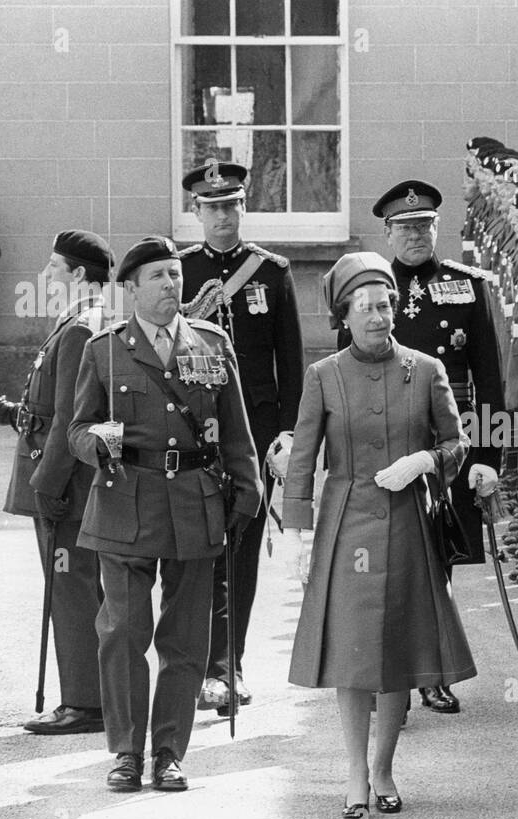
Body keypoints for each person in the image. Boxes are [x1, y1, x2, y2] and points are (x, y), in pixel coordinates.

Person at [282, 251, 476, 819]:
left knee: (397, 646)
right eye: (365, 307)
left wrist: (423, 461)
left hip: (408, 523)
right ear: (343, 315)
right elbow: (302, 458)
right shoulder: (324, 377)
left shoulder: (426, 369)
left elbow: (456, 445)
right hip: (346, 522)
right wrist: (297, 529)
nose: (378, 316)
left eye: (385, 304)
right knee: (352, 651)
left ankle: (385, 766)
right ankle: (354, 773)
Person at [68, 236, 262, 792]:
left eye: (175, 275)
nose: (170, 285)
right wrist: (95, 442)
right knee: (124, 631)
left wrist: (247, 492)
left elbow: (237, 428)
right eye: (157, 276)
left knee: (185, 639)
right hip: (125, 499)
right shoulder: (103, 349)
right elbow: (75, 429)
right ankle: (127, 751)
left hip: (195, 501)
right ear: (131, 288)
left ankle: (169, 752)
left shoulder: (211, 343)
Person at [353, 179, 504, 715]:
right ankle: (379, 672)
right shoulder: (366, 289)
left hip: (447, 444)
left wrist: (487, 458)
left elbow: (489, 381)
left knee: (436, 559)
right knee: (378, 561)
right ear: (388, 231)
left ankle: (430, 671)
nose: (415, 236)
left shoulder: (468, 287)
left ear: (437, 228)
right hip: (383, 442)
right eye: (405, 228)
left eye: (424, 226)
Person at [0, 230, 114, 734]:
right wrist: (10, 410)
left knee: (71, 590)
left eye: (55, 267)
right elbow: (52, 404)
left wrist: (47, 485)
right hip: (66, 481)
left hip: (66, 486)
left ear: (78, 275)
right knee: (72, 587)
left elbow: (68, 420)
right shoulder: (80, 322)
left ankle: (86, 702)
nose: (47, 275)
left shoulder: (80, 329)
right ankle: (88, 696)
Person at [177, 161, 304, 713]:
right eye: (212, 208)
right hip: (193, 431)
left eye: (231, 206)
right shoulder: (178, 272)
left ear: (243, 208)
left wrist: (291, 435)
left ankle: (229, 667)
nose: (223, 216)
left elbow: (292, 362)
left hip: (253, 435)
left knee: (241, 552)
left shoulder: (271, 273)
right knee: (196, 554)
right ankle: (196, 664)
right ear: (197, 214)